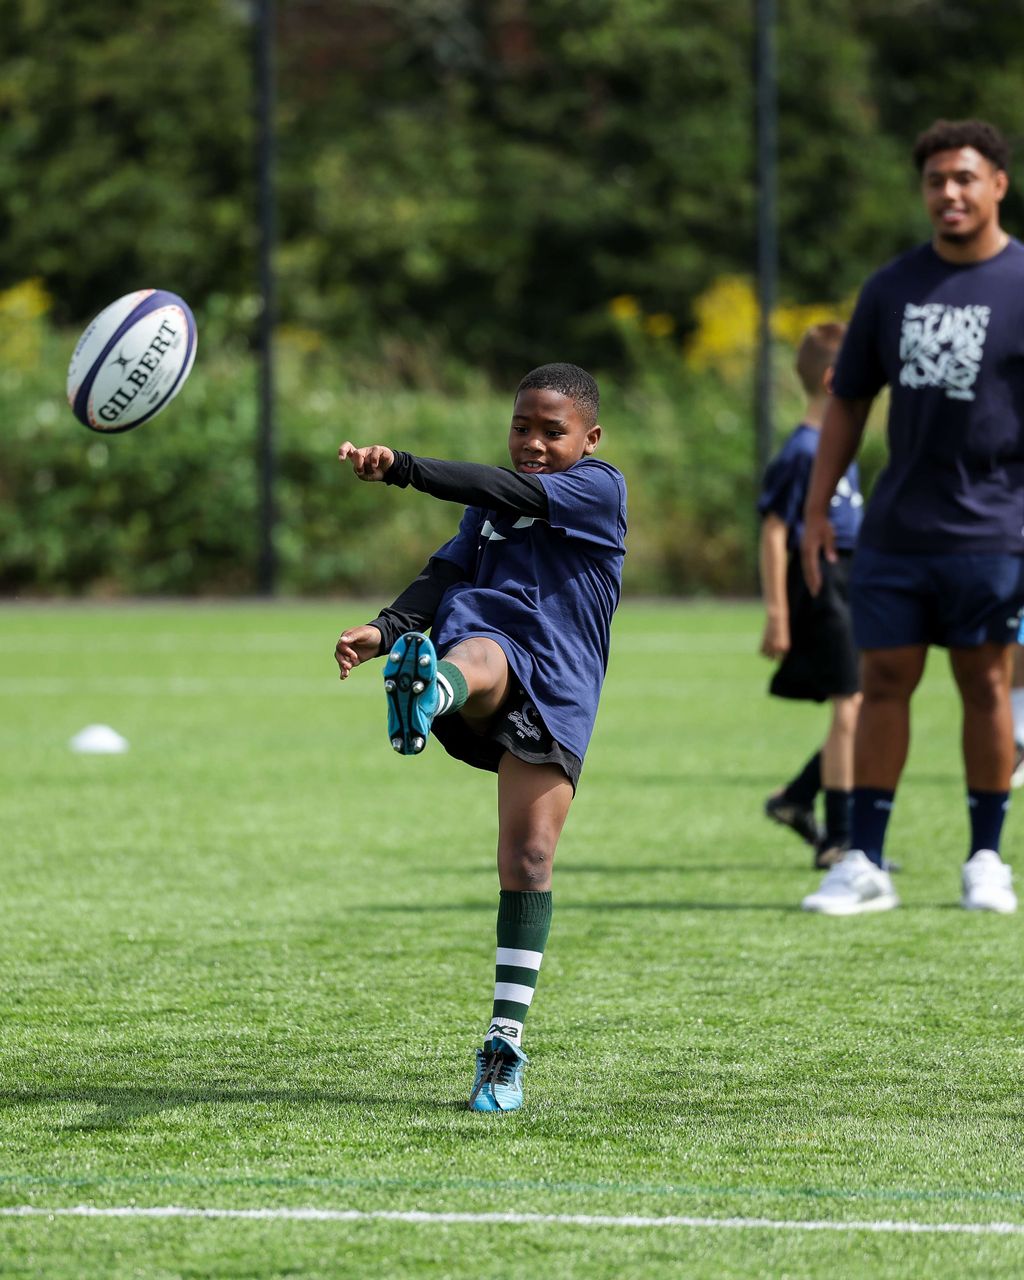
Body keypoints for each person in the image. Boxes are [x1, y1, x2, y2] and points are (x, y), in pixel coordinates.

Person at [333, 363, 627, 1110]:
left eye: (551, 431)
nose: (531, 442)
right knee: (480, 646)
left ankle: (503, 1046)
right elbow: (444, 574)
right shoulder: (486, 507)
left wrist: (403, 468)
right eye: (521, 427)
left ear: (589, 439)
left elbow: (510, 492)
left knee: (528, 858)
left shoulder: (599, 489)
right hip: (489, 655)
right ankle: (428, 687)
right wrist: (385, 628)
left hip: (558, 690)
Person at [800, 118, 1024, 916]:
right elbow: (848, 401)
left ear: (998, 183)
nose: (950, 192)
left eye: (966, 177)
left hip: (998, 531)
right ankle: (862, 860)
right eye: (936, 180)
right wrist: (816, 508)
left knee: (987, 686)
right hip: (898, 531)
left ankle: (987, 859)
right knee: (884, 683)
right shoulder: (891, 287)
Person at [758, 323, 863, 869]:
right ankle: (841, 840)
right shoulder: (803, 450)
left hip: (849, 581)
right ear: (833, 379)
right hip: (821, 585)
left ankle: (798, 799)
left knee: (862, 709)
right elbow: (775, 532)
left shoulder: (838, 442)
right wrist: (778, 613)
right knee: (853, 708)